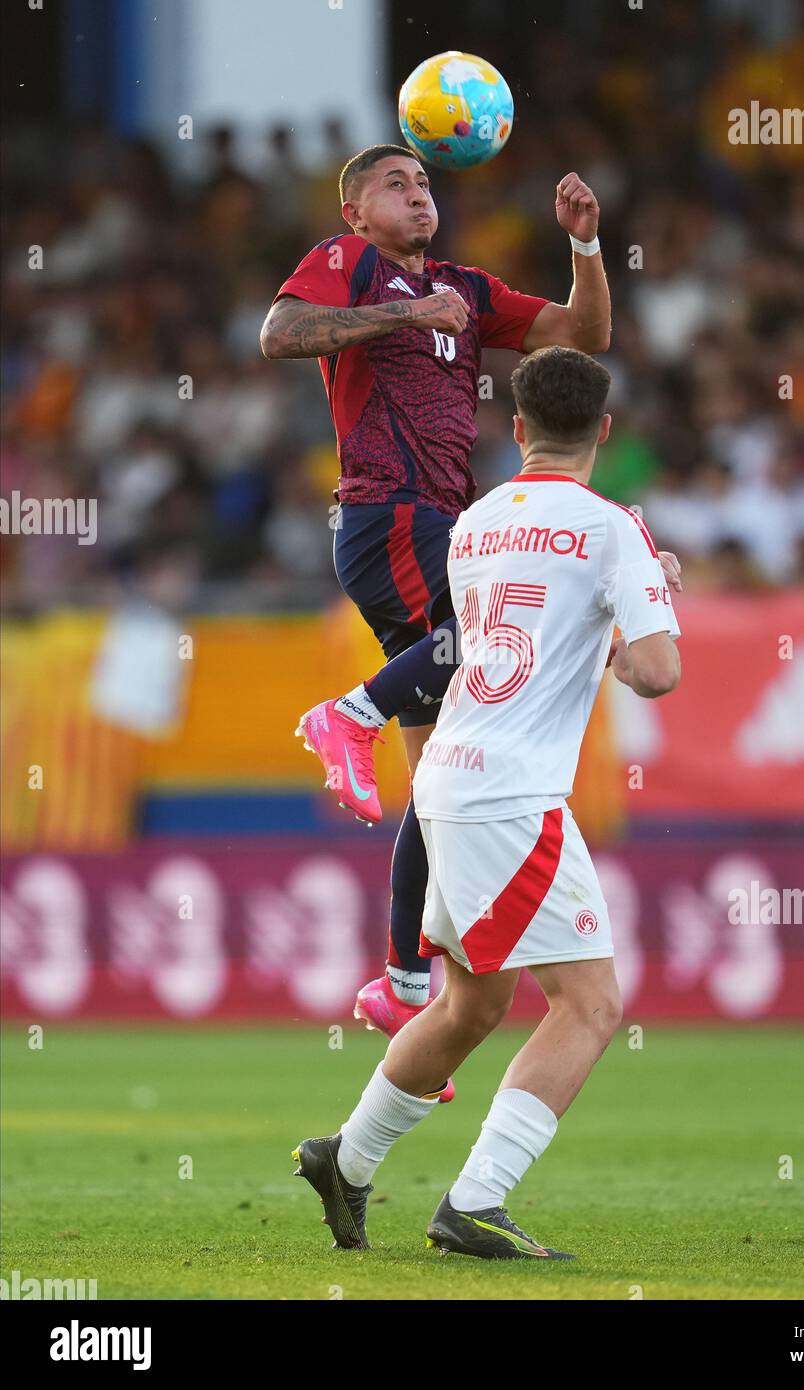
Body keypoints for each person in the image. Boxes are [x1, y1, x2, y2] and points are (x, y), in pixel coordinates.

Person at [291, 345, 681, 1259]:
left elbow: (484, 647)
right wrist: (658, 595)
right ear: (605, 431)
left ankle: (344, 1158)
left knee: (469, 1006)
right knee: (588, 1007)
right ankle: (474, 1202)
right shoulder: (611, 525)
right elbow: (655, 672)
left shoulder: (472, 523)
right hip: (514, 793)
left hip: (448, 780)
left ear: (515, 430)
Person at [261, 144, 614, 1071]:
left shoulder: (465, 286)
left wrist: (584, 246)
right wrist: (405, 314)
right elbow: (279, 332)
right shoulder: (352, 268)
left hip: (441, 525)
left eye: (425, 184)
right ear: (354, 213)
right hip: (387, 512)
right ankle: (350, 712)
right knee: (487, 647)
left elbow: (582, 335)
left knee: (445, 764)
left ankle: (401, 982)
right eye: (395, 185)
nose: (419, 197)